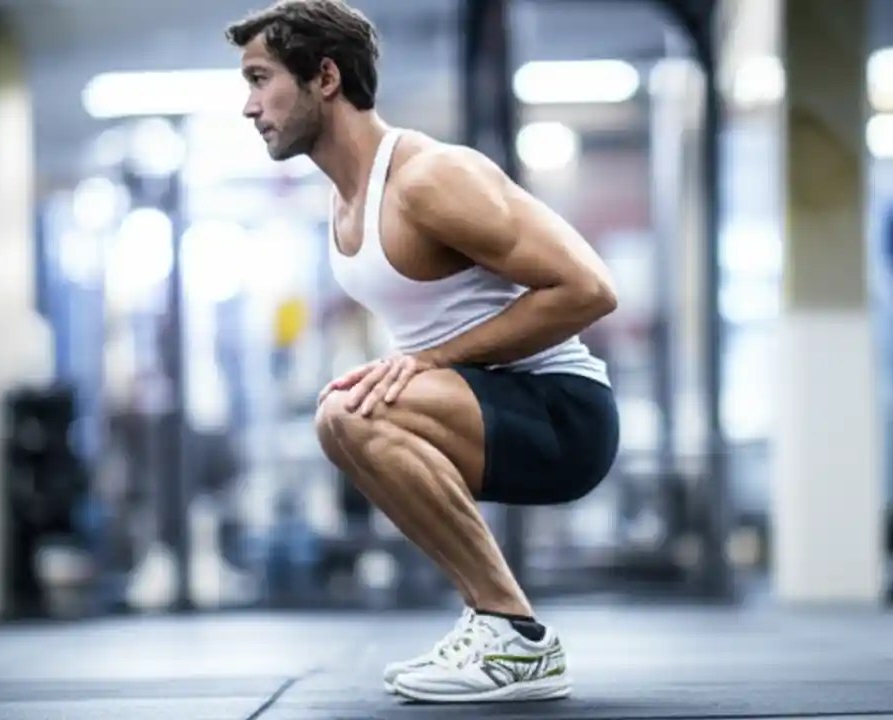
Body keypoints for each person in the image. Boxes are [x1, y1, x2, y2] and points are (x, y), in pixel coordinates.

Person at [226, 0, 620, 704]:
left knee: (350, 414)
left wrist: (433, 361)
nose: (249, 107)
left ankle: (514, 635)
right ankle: (492, 621)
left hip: (566, 417)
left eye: (260, 80)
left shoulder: (429, 176)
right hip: (491, 411)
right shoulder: (345, 200)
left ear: (324, 77)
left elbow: (589, 288)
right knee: (340, 412)